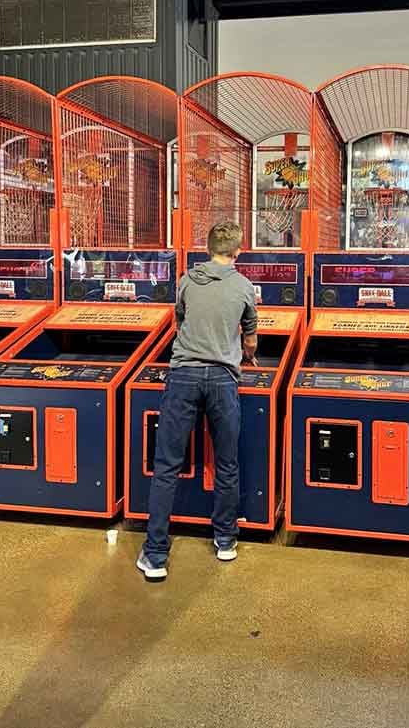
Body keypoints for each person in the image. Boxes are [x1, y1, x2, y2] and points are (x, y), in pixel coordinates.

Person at [137, 221, 258, 582]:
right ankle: (224, 540)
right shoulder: (245, 288)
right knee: (226, 462)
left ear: (208, 249)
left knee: (167, 465)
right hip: (223, 379)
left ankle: (155, 555)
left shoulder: (187, 281)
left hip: (184, 377)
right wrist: (245, 354)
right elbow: (250, 339)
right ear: (237, 251)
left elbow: (180, 322)